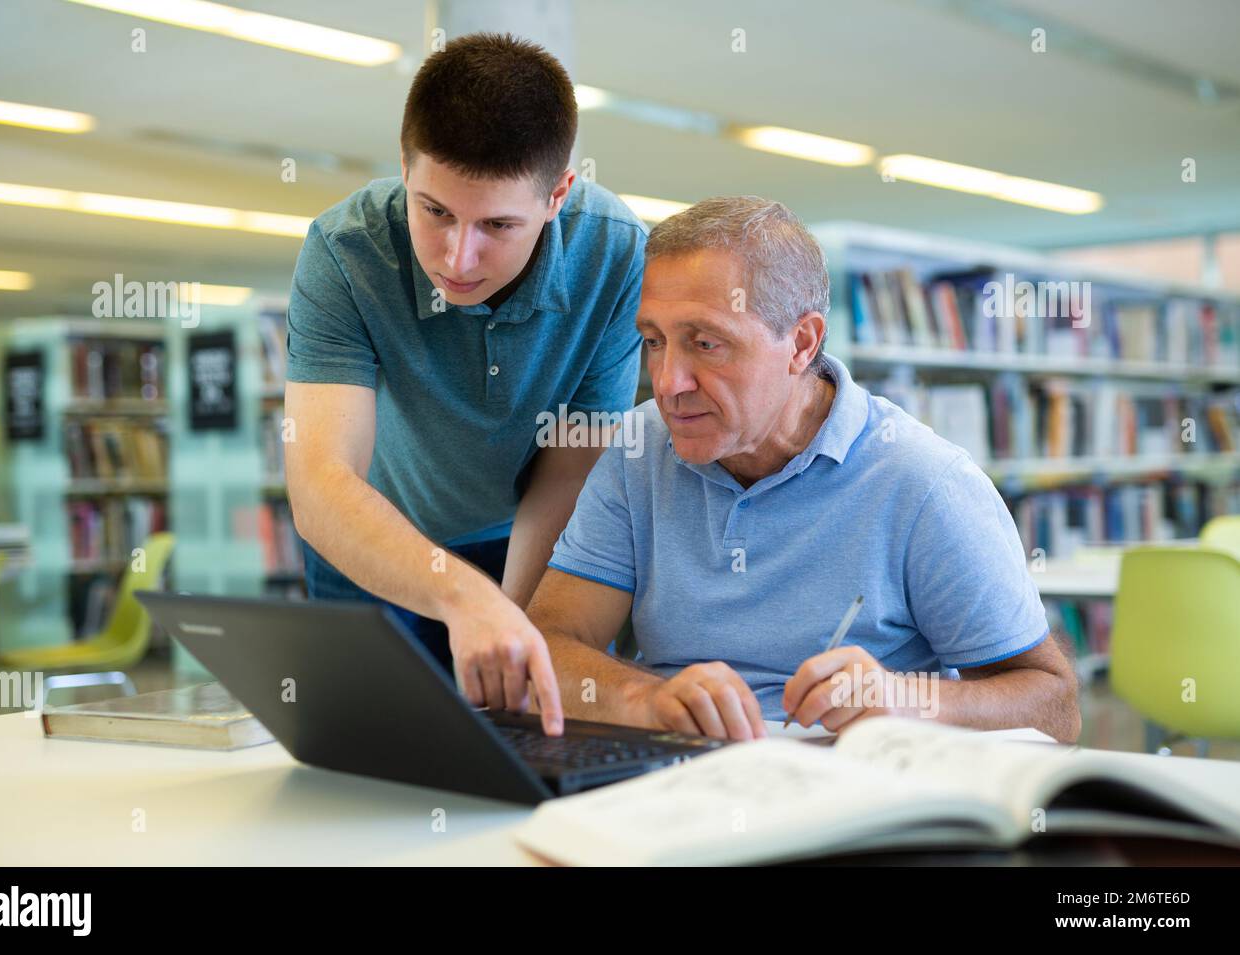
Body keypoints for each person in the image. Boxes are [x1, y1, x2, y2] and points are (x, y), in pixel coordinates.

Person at [526, 196, 1081, 743]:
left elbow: (1054, 705)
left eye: (705, 343)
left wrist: (908, 700)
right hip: (674, 781)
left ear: (801, 342)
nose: (669, 382)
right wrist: (646, 698)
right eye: (655, 342)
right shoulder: (638, 450)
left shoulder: (924, 481)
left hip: (848, 795)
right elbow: (552, 640)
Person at [284, 34, 648, 735]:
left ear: (558, 195)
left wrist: (513, 617)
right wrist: (459, 598)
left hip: (524, 539)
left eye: (498, 225)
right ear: (404, 168)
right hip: (371, 540)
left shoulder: (615, 250)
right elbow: (321, 480)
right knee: (366, 758)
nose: (457, 256)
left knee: (518, 743)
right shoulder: (342, 252)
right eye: (436, 211)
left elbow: (570, 467)